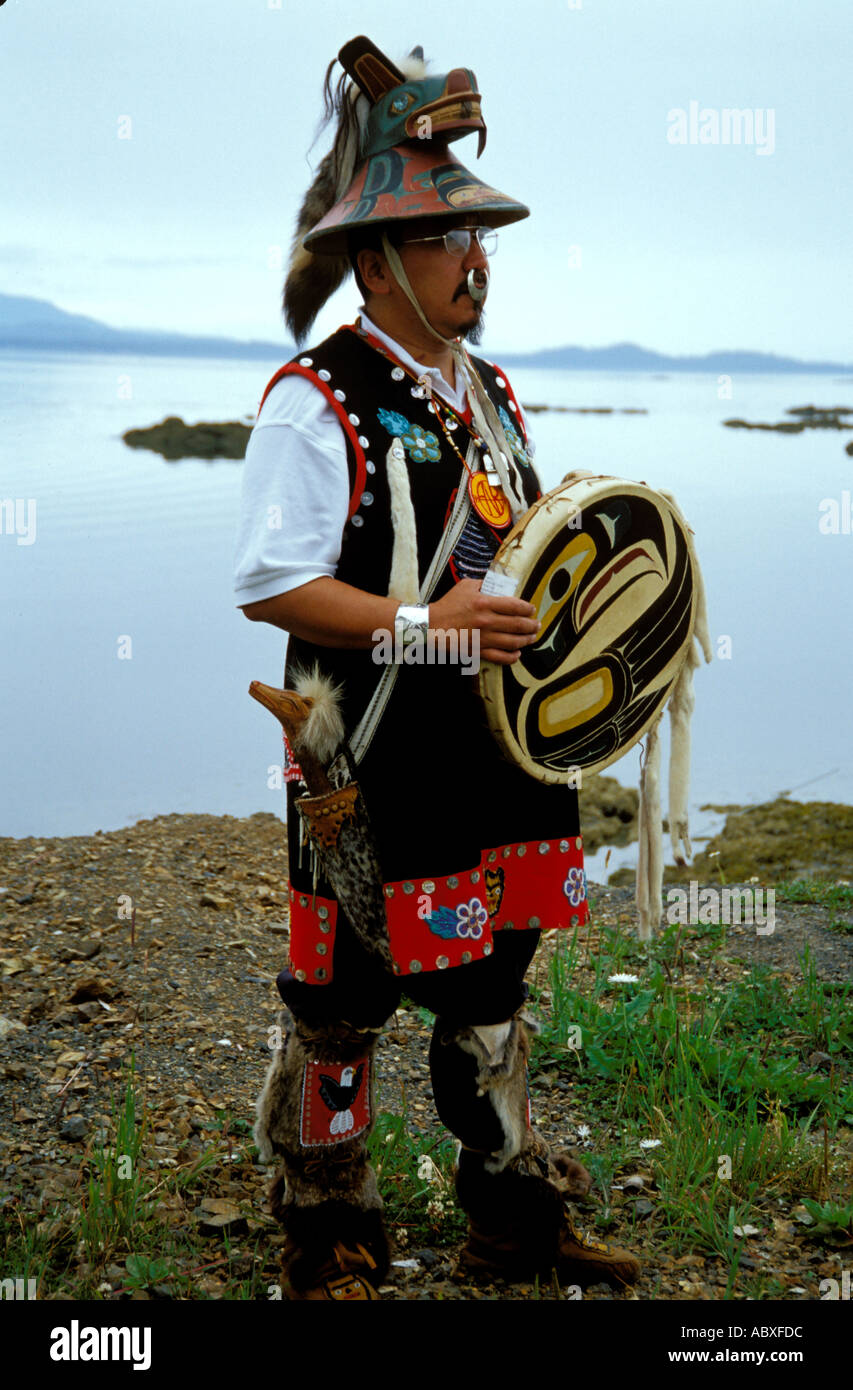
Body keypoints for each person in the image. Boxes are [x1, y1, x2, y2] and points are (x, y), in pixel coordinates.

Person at [234, 35, 641, 1300]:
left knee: (489, 977)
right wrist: (432, 626)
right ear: (374, 263)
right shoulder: (318, 398)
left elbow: (512, 561)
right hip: (364, 752)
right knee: (344, 991)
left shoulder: (493, 390)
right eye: (443, 241)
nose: (474, 260)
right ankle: (328, 1228)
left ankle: (510, 1214)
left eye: (479, 239)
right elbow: (273, 587)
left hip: (496, 751)